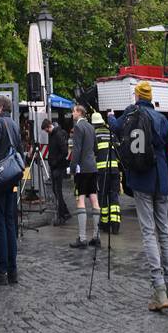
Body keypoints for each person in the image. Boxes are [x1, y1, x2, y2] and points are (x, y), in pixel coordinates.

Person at [110, 82, 168, 310]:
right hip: (161, 179)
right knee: (165, 234)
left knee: (148, 233)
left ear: (136, 96)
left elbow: (117, 127)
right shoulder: (160, 118)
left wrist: (110, 116)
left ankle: (158, 291)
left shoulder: (131, 113)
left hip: (141, 179)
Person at [0, 95, 23, 284]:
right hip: (12, 178)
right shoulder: (14, 124)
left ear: (0, 107)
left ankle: (1, 270)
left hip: (0, 179)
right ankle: (13, 270)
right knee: (10, 223)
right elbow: (20, 150)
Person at [69, 104, 100, 250]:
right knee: (94, 198)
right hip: (92, 167)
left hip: (82, 168)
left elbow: (76, 149)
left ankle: (82, 238)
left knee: (80, 199)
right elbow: (95, 147)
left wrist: (73, 167)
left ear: (79, 113)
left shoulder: (78, 127)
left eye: (73, 111)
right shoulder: (91, 127)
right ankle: (96, 236)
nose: (72, 114)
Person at [93, 111, 121, 234]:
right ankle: (115, 225)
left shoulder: (94, 136)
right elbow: (119, 151)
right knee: (114, 196)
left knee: (103, 197)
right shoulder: (111, 134)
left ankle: (104, 224)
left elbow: (92, 153)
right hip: (114, 170)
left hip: (102, 172)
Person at [42, 117, 71, 225]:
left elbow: (64, 151)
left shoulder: (58, 135)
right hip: (55, 166)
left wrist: (55, 161)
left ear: (49, 126)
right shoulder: (52, 134)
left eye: (46, 130)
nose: (46, 132)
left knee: (58, 191)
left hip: (58, 167)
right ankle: (65, 212)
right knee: (55, 190)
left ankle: (62, 215)